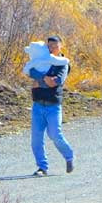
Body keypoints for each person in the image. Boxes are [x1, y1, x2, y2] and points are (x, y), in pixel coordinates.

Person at [27, 34, 74, 176]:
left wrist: (39, 82)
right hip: (38, 104)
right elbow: (31, 72)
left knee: (55, 134)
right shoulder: (39, 60)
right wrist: (44, 79)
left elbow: (56, 81)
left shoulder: (63, 63)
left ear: (61, 46)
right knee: (36, 139)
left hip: (53, 105)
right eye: (49, 46)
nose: (52, 48)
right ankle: (42, 167)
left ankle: (69, 156)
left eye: (55, 46)